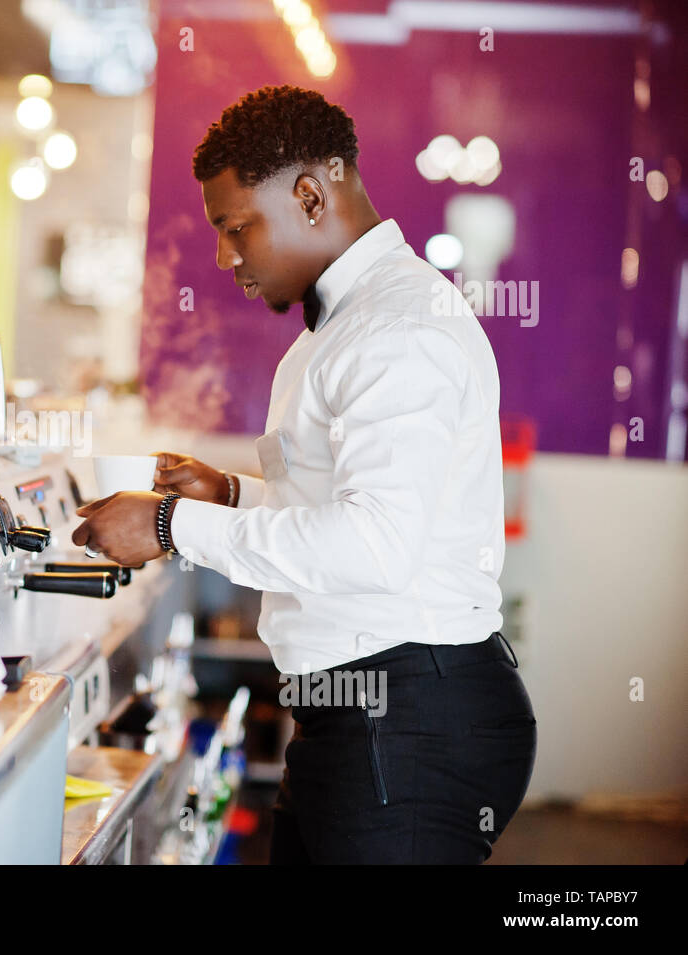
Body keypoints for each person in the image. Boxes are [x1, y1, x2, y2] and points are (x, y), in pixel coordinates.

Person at [71, 85, 536, 864]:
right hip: (362, 714)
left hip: (407, 719)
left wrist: (166, 525)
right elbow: (335, 504)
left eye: (237, 227)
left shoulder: (397, 328)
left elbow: (374, 545)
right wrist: (226, 494)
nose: (225, 256)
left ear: (312, 195)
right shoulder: (345, 323)